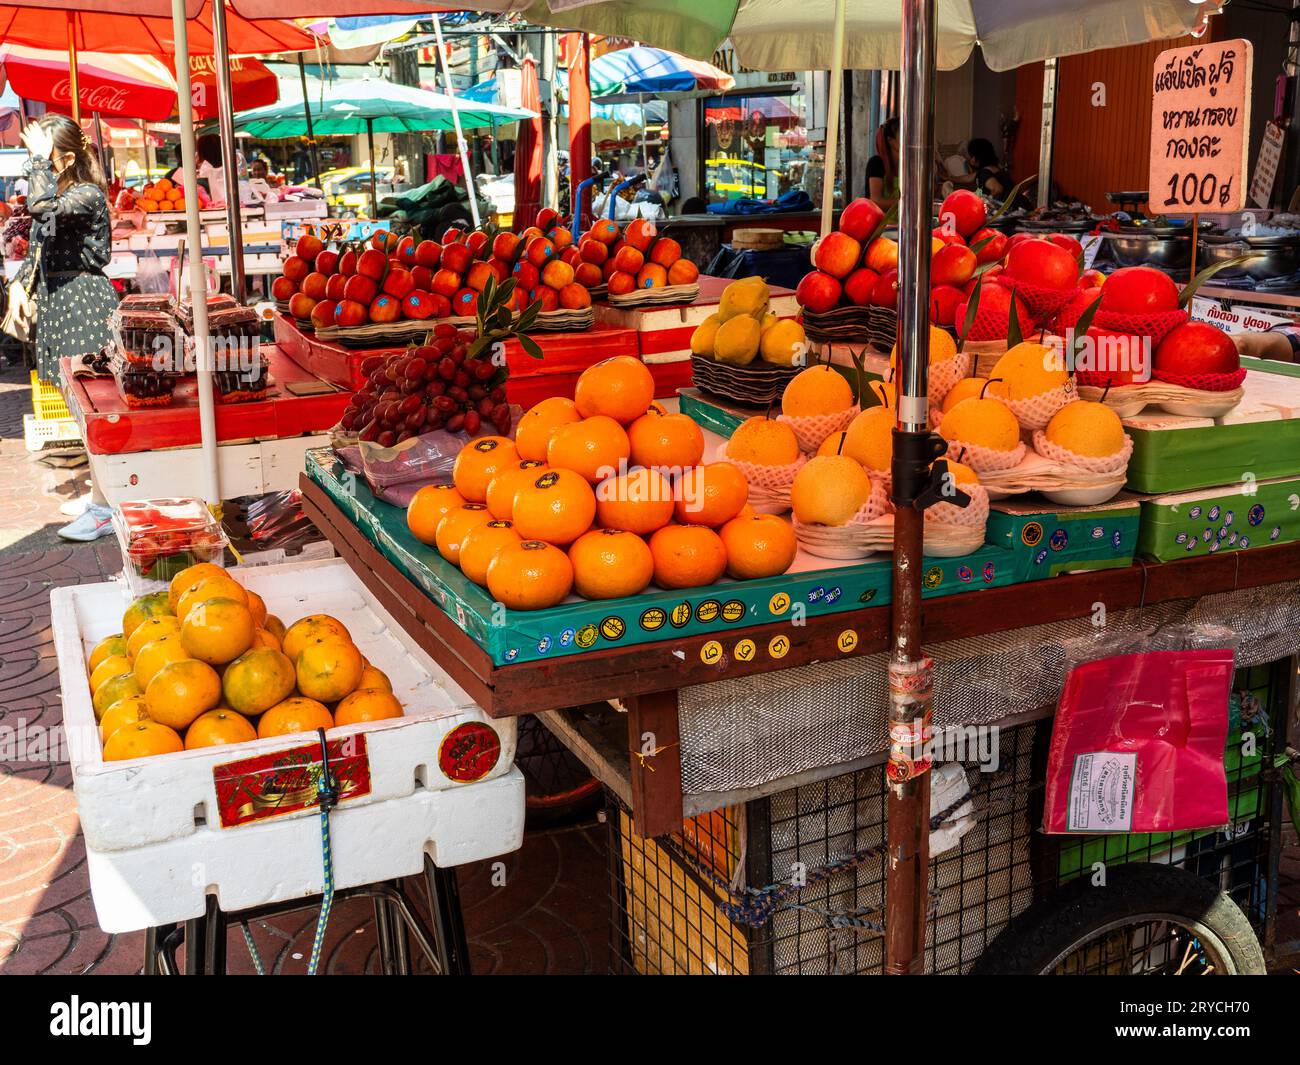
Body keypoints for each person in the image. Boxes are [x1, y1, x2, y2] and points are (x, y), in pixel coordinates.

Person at [17, 114, 118, 540]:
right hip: (60, 305)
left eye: (44, 155)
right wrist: (22, 286)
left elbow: (40, 207)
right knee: (79, 411)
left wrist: (38, 163)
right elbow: (39, 243)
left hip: (84, 304)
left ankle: (104, 508)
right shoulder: (59, 193)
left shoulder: (87, 194)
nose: (35, 161)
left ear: (69, 157)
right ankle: (101, 493)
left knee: (96, 411)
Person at [965, 137, 1029, 209]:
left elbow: (997, 189)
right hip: (1023, 207)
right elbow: (970, 177)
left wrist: (986, 203)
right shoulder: (995, 169)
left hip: (1015, 211)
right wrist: (951, 178)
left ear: (974, 158)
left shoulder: (983, 173)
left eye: (970, 156)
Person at [865, 117, 899, 210]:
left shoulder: (909, 166)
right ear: (890, 140)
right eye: (903, 134)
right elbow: (875, 201)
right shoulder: (876, 163)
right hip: (882, 223)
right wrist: (905, 203)